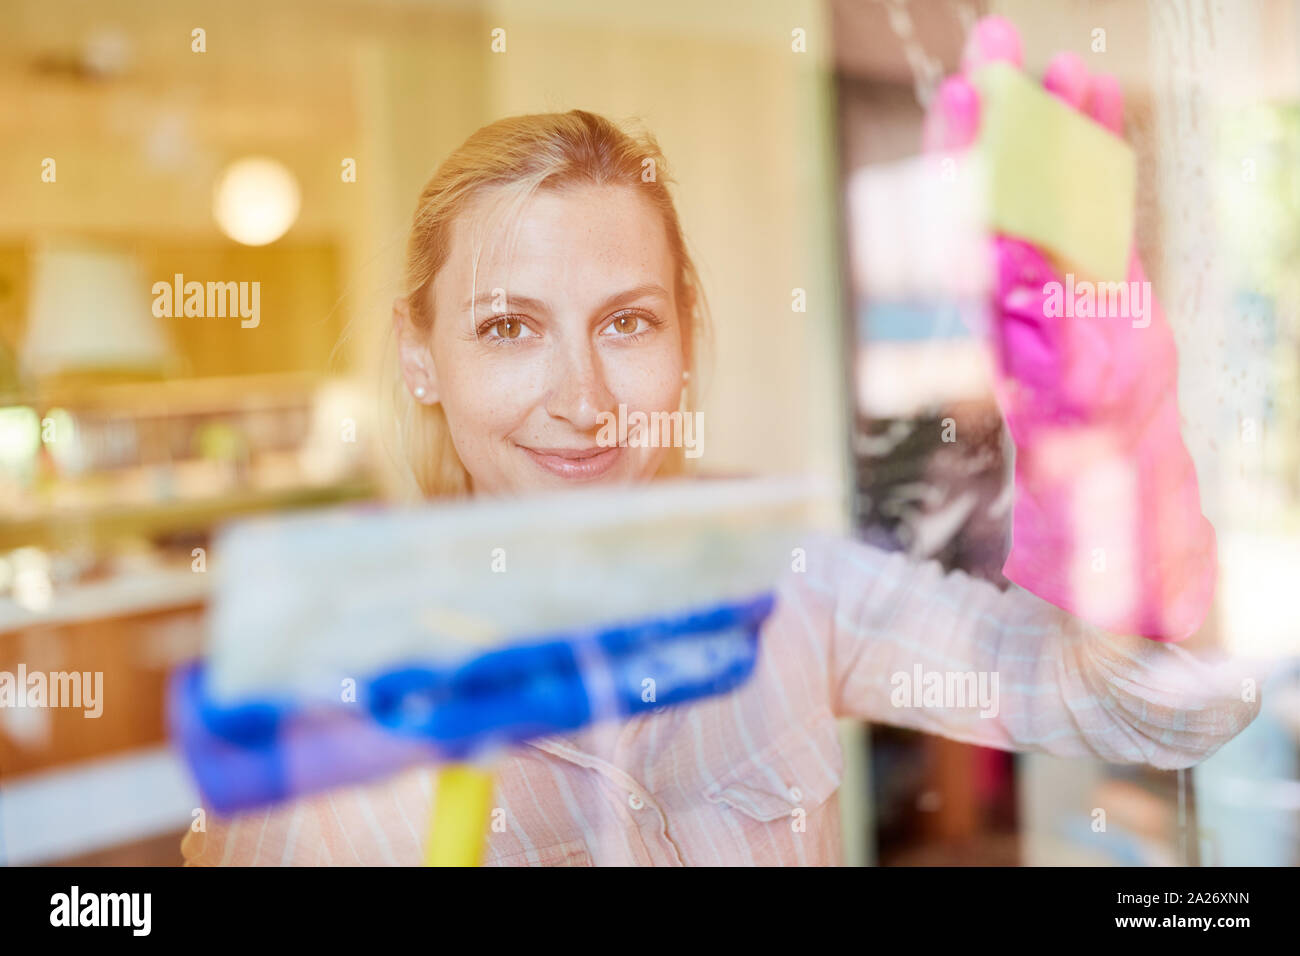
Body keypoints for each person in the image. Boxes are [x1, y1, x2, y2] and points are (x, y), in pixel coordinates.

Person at [183, 20, 1258, 866]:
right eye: (508, 328)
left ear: (685, 338)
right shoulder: (315, 707)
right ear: (420, 357)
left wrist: (1108, 468)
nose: (583, 401)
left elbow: (1163, 716)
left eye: (627, 323)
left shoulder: (790, 587)